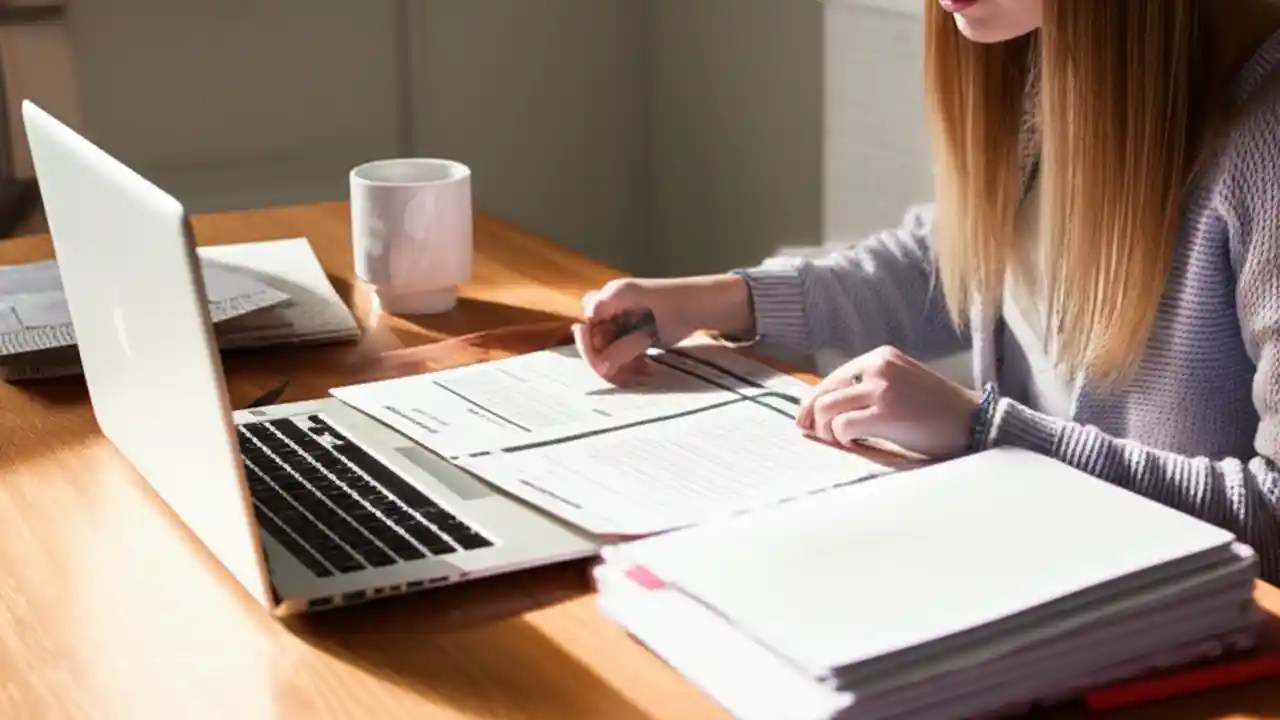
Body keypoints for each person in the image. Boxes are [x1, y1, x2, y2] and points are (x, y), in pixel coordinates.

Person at [573, 0, 1280, 583]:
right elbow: (954, 261)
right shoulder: (1056, 53)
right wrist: (723, 301)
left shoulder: (1265, 147)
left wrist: (983, 431)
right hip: (1039, 571)